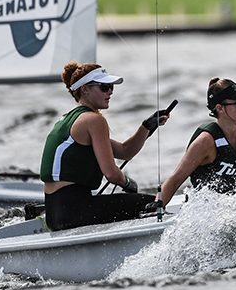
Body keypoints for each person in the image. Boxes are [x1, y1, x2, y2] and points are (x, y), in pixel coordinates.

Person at [39, 61, 172, 231]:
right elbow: (111, 173)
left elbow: (125, 151)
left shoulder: (69, 120)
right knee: (153, 204)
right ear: (85, 89)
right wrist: (128, 184)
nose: (110, 91)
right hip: (74, 212)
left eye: (111, 87)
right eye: (104, 87)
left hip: (55, 214)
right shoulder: (94, 120)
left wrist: (146, 126)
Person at [157, 77, 236, 207]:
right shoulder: (205, 142)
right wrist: (155, 210)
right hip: (209, 211)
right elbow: (174, 180)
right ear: (220, 108)